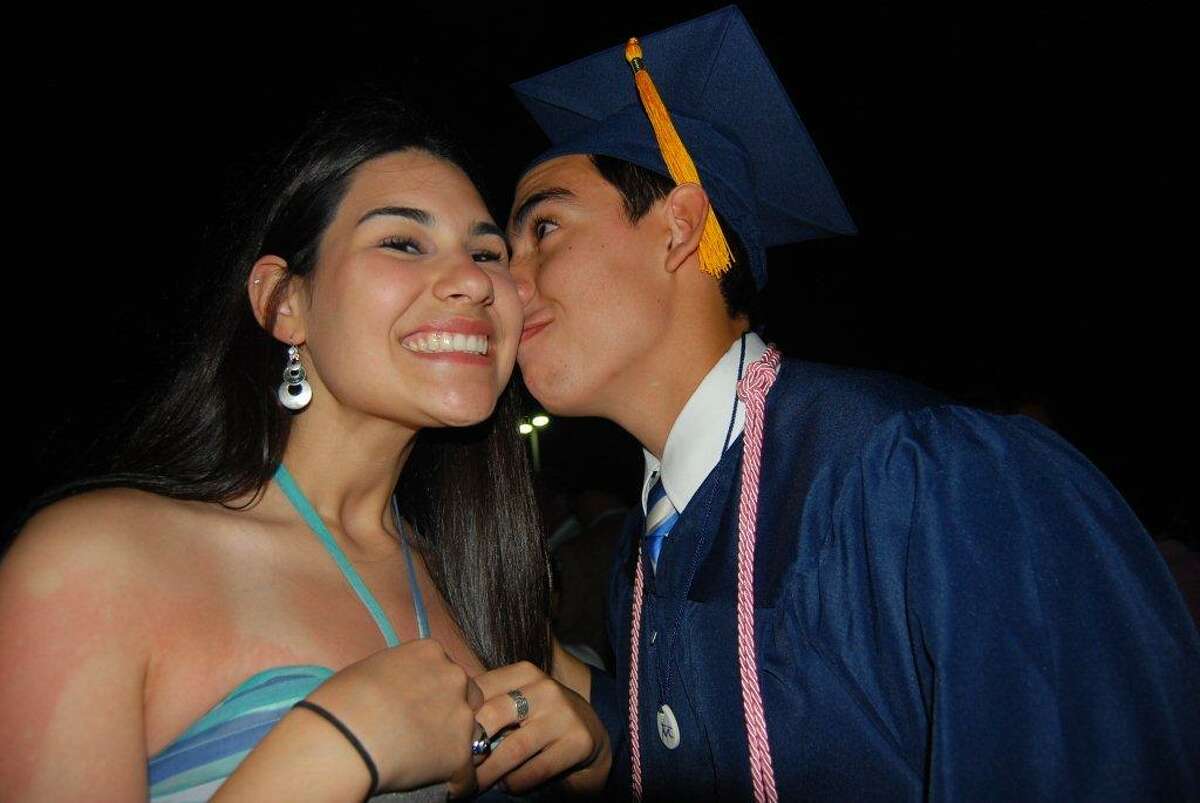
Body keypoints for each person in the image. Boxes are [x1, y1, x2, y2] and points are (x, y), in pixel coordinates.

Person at [506, 8, 1200, 801]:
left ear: (679, 228)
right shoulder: (641, 555)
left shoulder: (920, 479)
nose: (506, 278)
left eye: (544, 227)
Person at [0, 96, 609, 800]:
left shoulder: (481, 583)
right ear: (283, 302)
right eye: (403, 243)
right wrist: (333, 747)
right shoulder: (91, 563)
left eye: (485, 253)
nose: (474, 279)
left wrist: (595, 755)